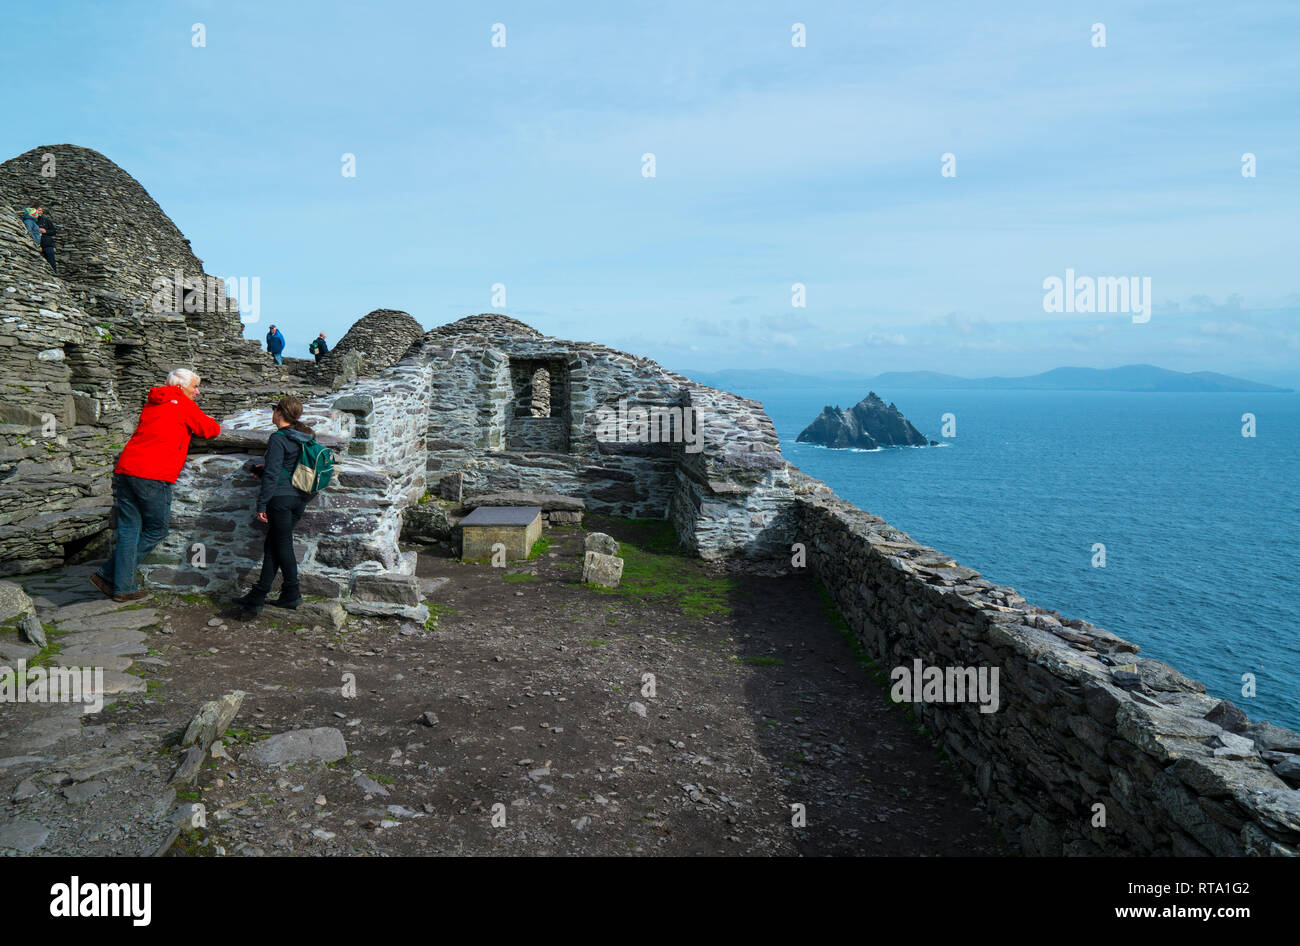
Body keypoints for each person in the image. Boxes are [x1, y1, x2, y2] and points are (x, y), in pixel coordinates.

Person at [91, 369, 221, 602]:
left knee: (130, 531)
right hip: (153, 474)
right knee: (157, 529)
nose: (198, 391)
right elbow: (210, 430)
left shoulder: (153, 402)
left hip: (127, 468)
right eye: (195, 387)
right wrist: (209, 420)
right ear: (181, 387)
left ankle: (122, 586)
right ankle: (110, 575)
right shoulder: (182, 404)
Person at [236, 396, 316, 612]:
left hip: (280, 499)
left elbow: (272, 473)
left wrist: (262, 505)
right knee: (273, 545)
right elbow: (289, 466)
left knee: (282, 546)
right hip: (299, 498)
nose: (272, 413)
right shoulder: (306, 436)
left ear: (280, 413)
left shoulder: (279, 438)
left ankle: (292, 592)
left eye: (274, 409)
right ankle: (259, 594)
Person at [34, 203, 57, 273]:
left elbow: (53, 231)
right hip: (37, 245)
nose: (40, 212)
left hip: (48, 245)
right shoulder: (31, 221)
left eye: (41, 211)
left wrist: (45, 231)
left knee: (51, 262)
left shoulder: (46, 221)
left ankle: (54, 274)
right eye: (39, 210)